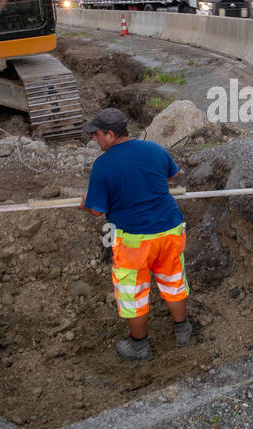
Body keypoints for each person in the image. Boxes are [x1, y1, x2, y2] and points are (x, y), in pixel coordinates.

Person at [79, 108, 190, 361]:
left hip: (133, 241)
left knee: (134, 292)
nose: (94, 140)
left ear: (110, 134)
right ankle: (182, 330)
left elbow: (97, 211)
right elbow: (173, 175)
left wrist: (85, 204)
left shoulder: (103, 165)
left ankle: (139, 346)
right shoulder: (154, 149)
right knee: (173, 280)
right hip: (169, 230)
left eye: (96, 135)